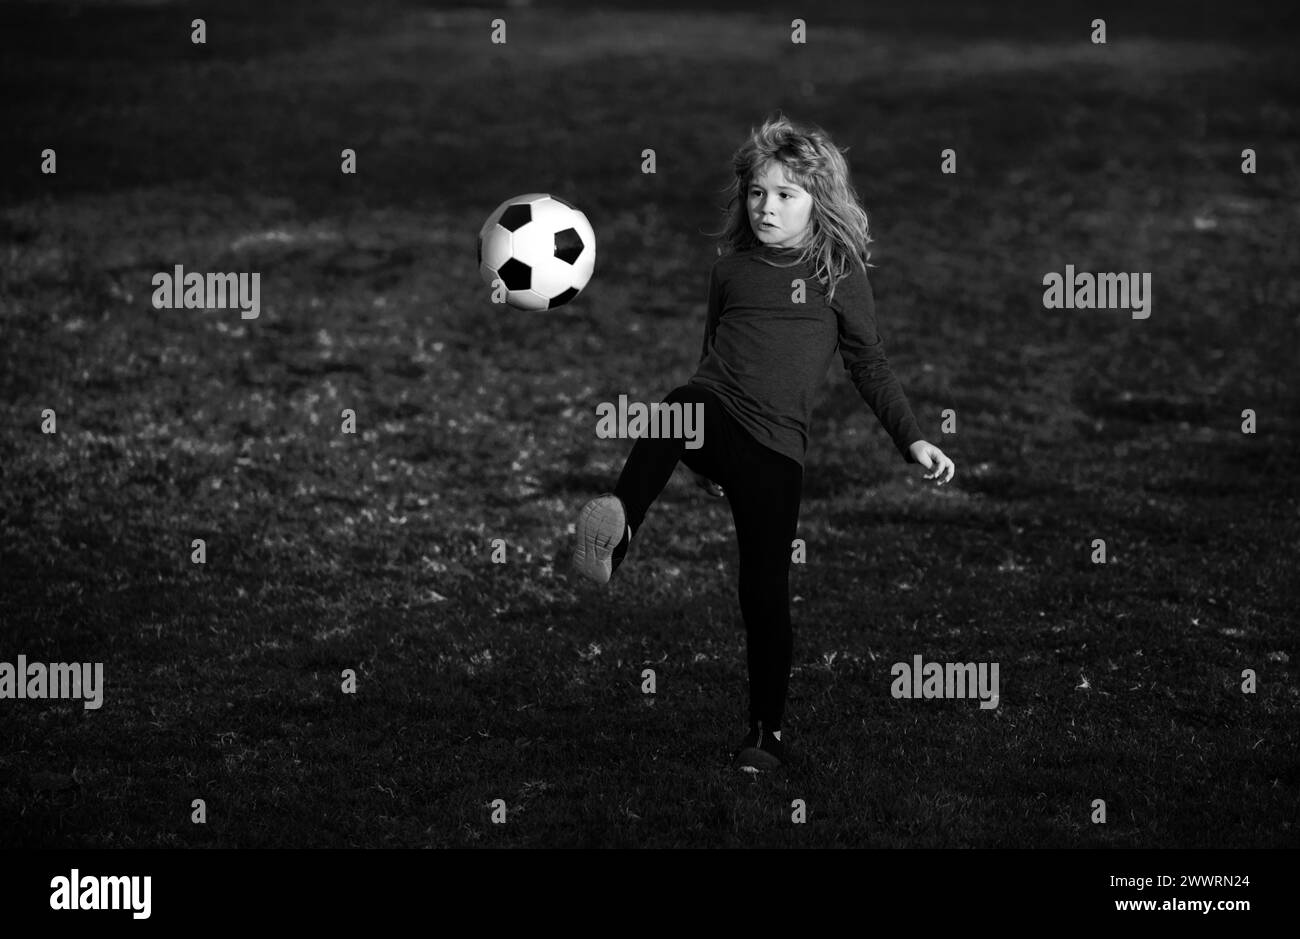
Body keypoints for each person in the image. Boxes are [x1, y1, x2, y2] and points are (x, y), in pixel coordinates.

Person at [572, 112, 955, 772]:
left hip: (776, 452)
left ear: (818, 200)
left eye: (785, 194)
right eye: (757, 192)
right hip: (716, 413)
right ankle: (619, 529)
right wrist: (703, 456)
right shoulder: (730, 270)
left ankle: (765, 732)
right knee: (677, 407)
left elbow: (870, 364)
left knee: (763, 591)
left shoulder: (839, 273)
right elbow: (710, 355)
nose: (766, 206)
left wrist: (912, 439)